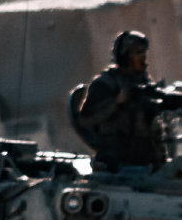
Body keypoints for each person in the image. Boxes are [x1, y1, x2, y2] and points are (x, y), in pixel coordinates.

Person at [68, 30, 162, 170]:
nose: (142, 57)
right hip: (114, 163)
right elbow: (85, 120)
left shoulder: (144, 83)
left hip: (143, 162)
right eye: (138, 53)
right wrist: (116, 102)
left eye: (143, 52)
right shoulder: (104, 84)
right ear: (124, 55)